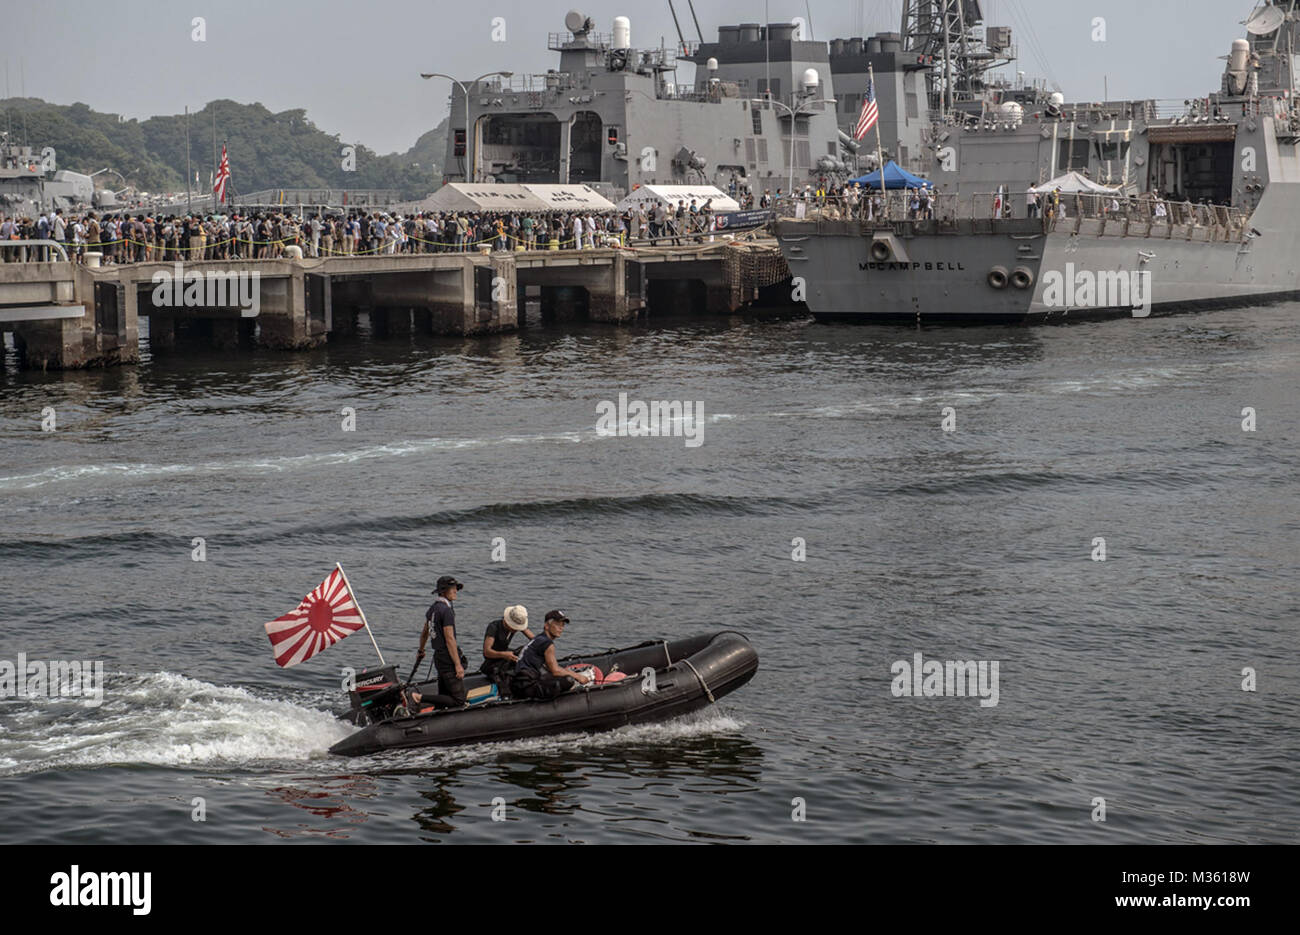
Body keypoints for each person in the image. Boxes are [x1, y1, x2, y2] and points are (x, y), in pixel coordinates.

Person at [510, 610, 592, 700]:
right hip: (527, 686)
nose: (561, 628)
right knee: (568, 680)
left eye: (562, 625)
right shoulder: (547, 644)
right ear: (547, 626)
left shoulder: (539, 638)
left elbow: (551, 667)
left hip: (518, 684)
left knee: (556, 675)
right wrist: (578, 676)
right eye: (557, 624)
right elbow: (555, 671)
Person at [414, 575, 468, 708]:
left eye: (456, 588)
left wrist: (421, 650)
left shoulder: (433, 609)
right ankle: (419, 698)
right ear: (443, 591)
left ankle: (436, 711)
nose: (455, 591)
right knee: (458, 700)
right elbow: (450, 639)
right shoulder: (446, 611)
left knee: (443, 694)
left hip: (439, 657)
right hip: (447, 658)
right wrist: (457, 664)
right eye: (452, 588)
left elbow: (425, 632)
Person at [480, 604, 535, 696]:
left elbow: (534, 639)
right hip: (492, 661)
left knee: (524, 650)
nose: (516, 630)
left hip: (506, 656)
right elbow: (487, 652)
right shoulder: (494, 627)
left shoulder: (517, 625)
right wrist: (503, 654)